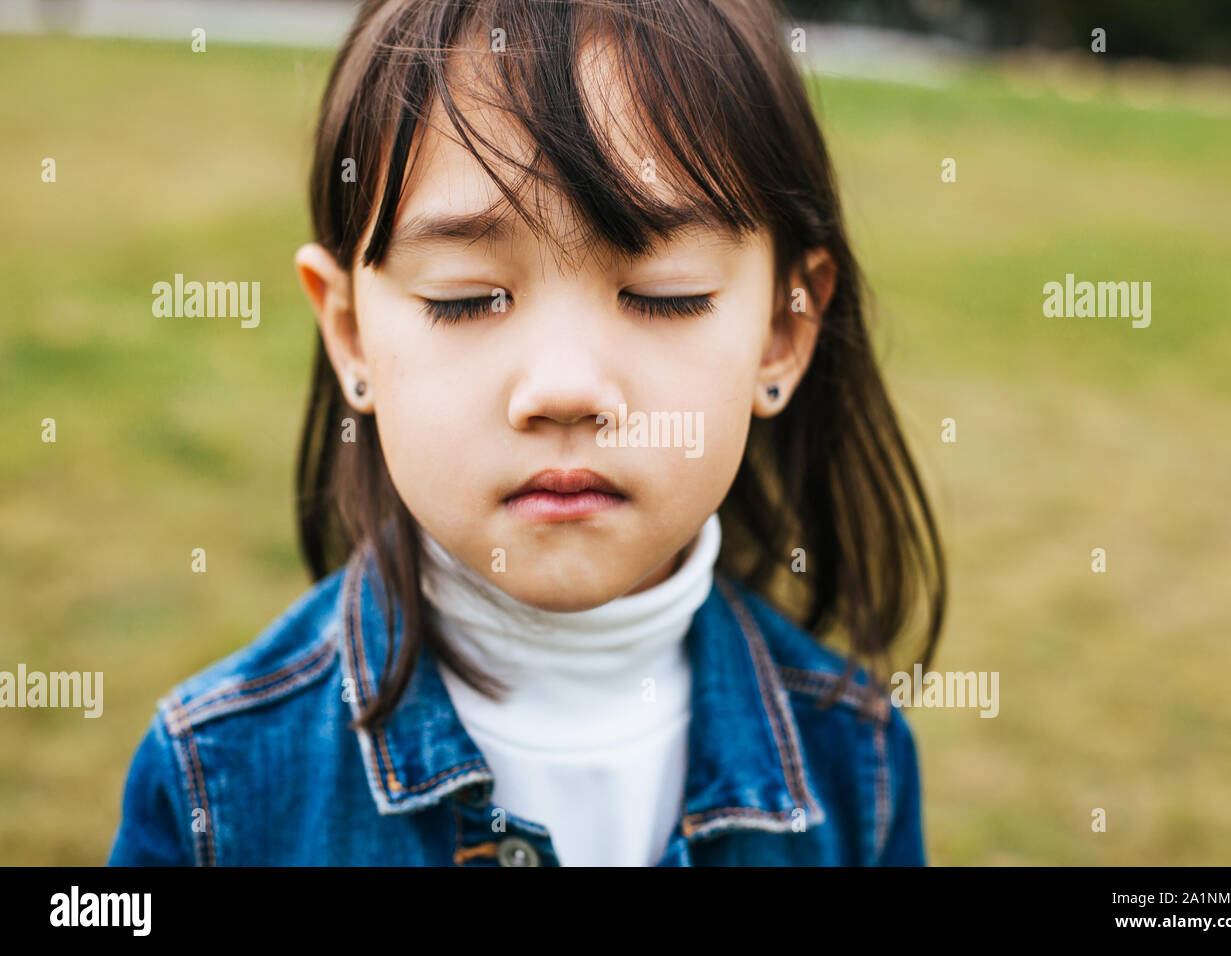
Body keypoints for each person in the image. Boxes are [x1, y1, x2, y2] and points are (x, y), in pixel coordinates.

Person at [107, 0, 946, 867]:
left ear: (783, 330)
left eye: (664, 293)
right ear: (351, 332)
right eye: (465, 298)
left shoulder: (861, 769)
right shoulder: (218, 787)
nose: (564, 390)